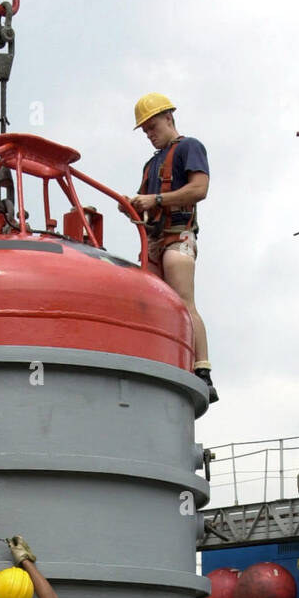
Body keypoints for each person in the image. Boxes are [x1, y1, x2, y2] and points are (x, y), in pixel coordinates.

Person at [128, 92, 217, 404]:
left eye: (153, 127)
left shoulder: (189, 147)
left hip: (178, 236)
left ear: (169, 118)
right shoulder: (150, 165)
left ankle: (203, 370)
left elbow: (199, 188)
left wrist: (156, 200)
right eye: (146, 131)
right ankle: (159, 355)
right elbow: (145, 206)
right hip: (154, 239)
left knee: (183, 300)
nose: (150, 135)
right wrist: (132, 208)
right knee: (146, 300)